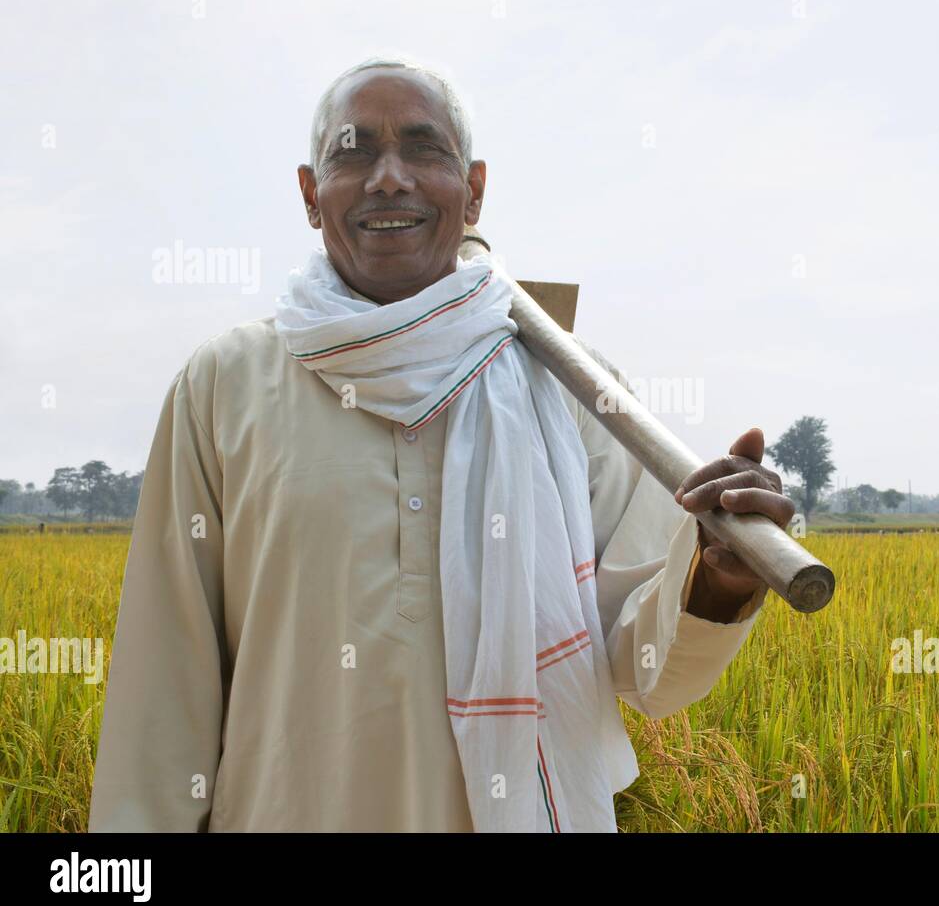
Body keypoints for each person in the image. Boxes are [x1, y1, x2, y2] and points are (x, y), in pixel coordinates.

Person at [88, 57, 795, 832]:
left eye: (423, 149)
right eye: (353, 153)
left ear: (475, 189)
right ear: (309, 195)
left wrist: (716, 580)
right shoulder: (224, 384)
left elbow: (641, 663)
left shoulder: (574, 388)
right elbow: (165, 682)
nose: (389, 177)